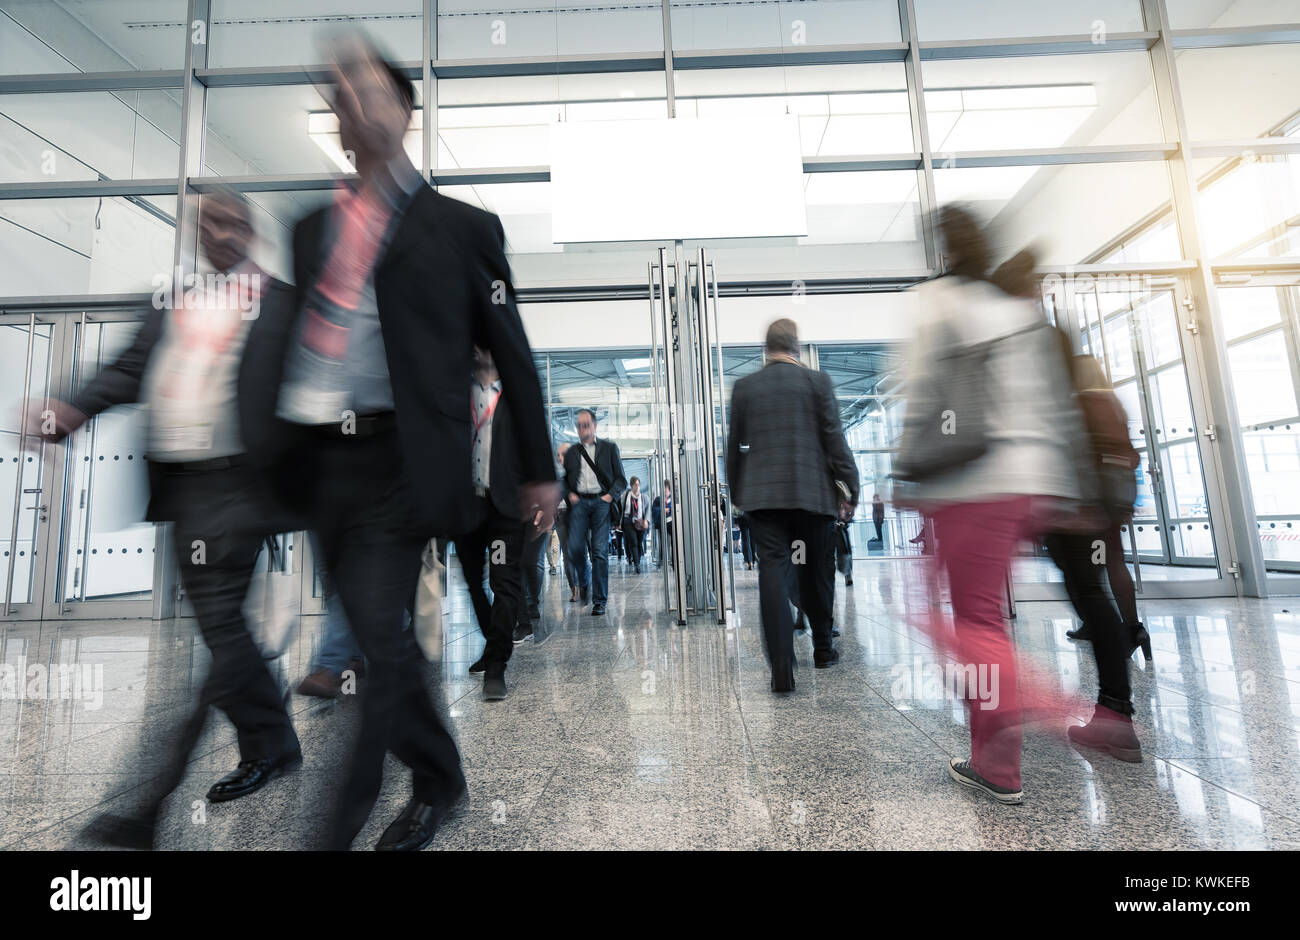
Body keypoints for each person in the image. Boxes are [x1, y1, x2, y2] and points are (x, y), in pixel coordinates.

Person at [272, 36, 555, 850]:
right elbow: (297, 342)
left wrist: (537, 469)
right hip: (327, 457)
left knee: (370, 634)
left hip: (403, 456)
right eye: (339, 94)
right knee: (380, 634)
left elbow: (511, 351)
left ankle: (335, 829)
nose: (352, 103)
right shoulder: (312, 227)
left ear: (404, 109)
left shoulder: (462, 228)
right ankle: (440, 774)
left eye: (368, 89)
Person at [22, 189, 304, 848]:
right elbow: (123, 373)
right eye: (207, 224)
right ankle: (275, 742)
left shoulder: (284, 303)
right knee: (224, 637)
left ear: (253, 231)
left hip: (246, 490)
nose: (220, 232)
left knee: (225, 643)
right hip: (186, 495)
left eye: (232, 221)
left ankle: (148, 804)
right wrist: (68, 409)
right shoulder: (174, 301)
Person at [896, 206, 1078, 806]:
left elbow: (922, 393)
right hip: (1024, 486)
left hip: (967, 485)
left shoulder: (938, 303)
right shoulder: (1016, 312)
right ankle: (992, 758)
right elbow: (1049, 405)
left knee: (966, 626)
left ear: (941, 252)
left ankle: (1029, 713)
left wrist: (906, 469)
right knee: (983, 621)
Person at [726, 318, 859, 692]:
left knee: (772, 574)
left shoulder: (746, 387)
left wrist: (738, 494)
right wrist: (851, 487)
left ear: (766, 349)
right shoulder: (818, 383)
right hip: (813, 496)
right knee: (818, 570)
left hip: (764, 498)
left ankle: (782, 666)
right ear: (796, 348)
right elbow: (835, 439)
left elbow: (735, 447)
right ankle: (822, 648)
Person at [452, 345, 543, 700]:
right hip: (466, 503)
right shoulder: (455, 391)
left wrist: (538, 498)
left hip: (506, 506)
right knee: (474, 583)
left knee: (505, 584)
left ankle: (496, 665)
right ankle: (494, 648)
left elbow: (535, 447)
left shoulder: (515, 395)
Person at [562, 408, 626, 617]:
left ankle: (599, 601)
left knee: (599, 552)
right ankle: (585, 580)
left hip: (600, 502)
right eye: (579, 426)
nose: (583, 429)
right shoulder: (572, 452)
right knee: (574, 548)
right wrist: (570, 493)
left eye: (586, 425)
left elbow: (621, 480)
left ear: (595, 426)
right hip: (580, 503)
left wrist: (609, 497)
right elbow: (565, 480)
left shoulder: (609, 448)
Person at [621, 476, 650, 573]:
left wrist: (646, 520)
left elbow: (647, 510)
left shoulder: (644, 497)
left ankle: (636, 559)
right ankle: (637, 564)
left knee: (639, 542)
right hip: (628, 522)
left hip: (640, 522)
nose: (637, 487)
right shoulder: (625, 496)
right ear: (631, 486)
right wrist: (619, 522)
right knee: (633, 542)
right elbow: (621, 509)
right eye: (635, 485)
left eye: (638, 485)